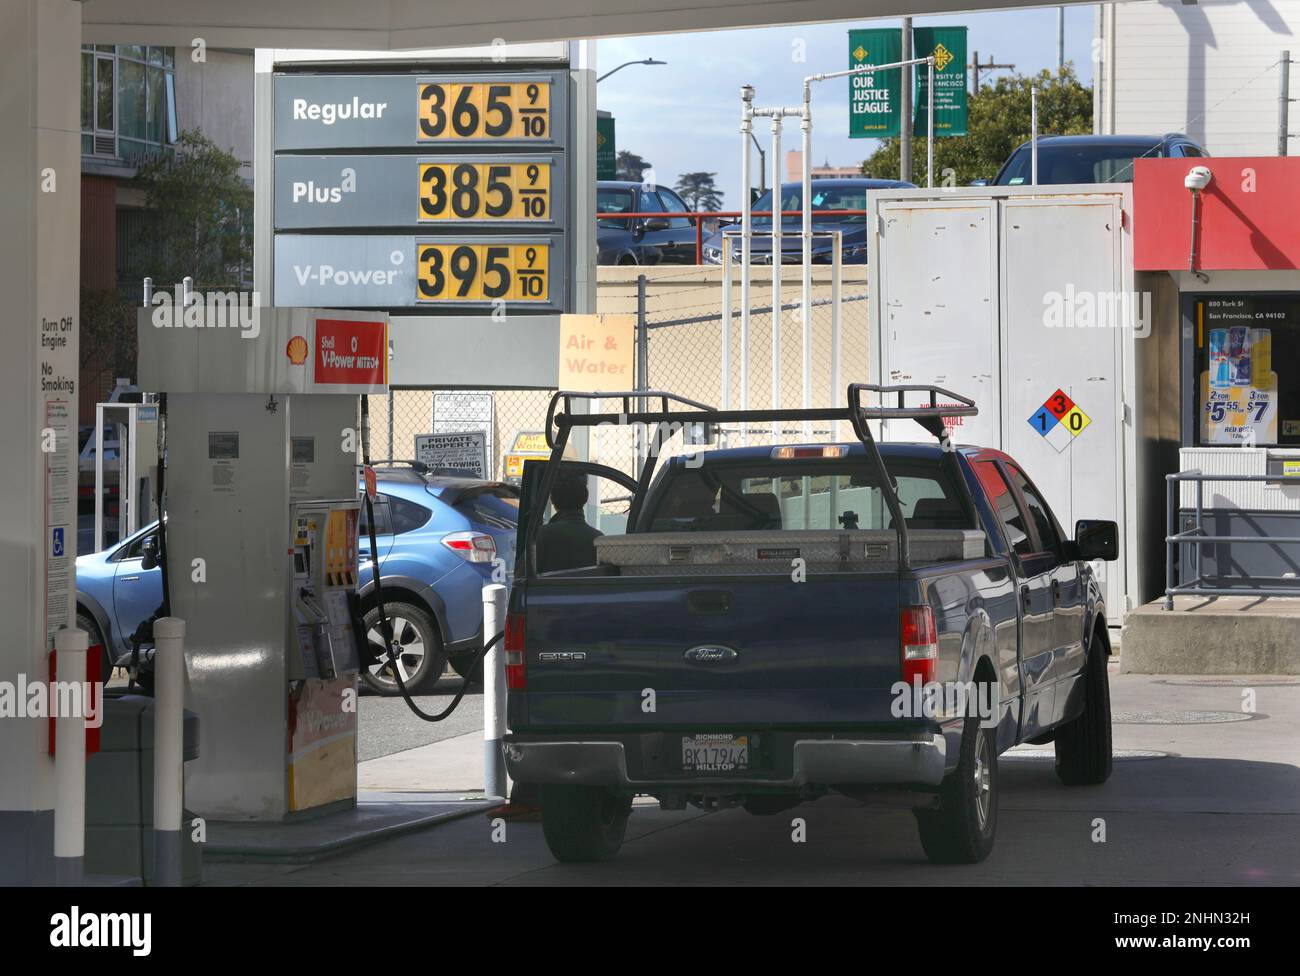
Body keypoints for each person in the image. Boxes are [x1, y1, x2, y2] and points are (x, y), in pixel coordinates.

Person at [535, 470, 603, 573]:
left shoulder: (543, 535)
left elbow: (521, 576)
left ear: (552, 500)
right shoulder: (598, 539)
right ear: (585, 498)